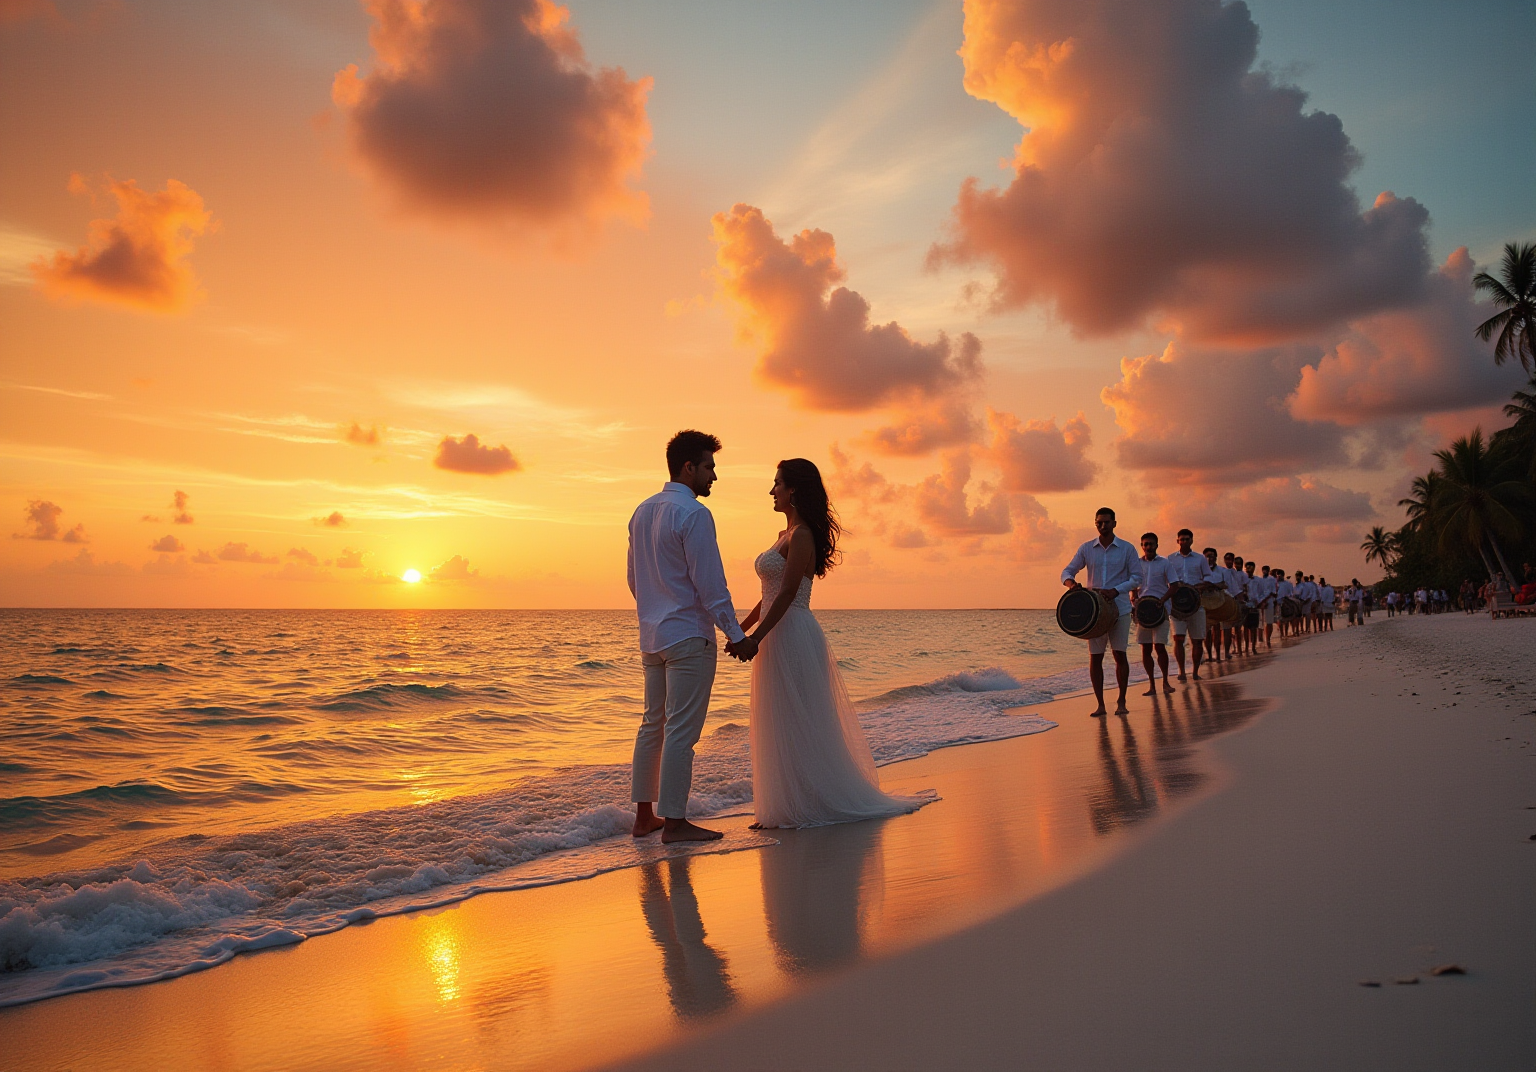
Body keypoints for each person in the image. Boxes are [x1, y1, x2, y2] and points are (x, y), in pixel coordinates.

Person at [740, 459, 929, 829]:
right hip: (775, 631)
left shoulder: (802, 535)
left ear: (793, 489)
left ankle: (808, 803)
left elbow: (788, 593)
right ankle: (783, 805)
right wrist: (740, 628)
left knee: (801, 717)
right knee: (779, 717)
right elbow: (768, 595)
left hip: (792, 632)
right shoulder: (783, 534)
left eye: (776, 483)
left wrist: (754, 638)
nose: (771, 490)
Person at [628, 430, 748, 843]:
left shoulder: (641, 512)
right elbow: (710, 585)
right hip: (688, 637)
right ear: (688, 468)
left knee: (652, 726)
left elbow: (634, 580)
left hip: (652, 637)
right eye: (710, 467)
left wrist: (655, 609)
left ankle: (645, 818)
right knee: (680, 731)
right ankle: (675, 822)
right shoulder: (694, 514)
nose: (714, 476)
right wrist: (737, 635)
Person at [1061, 507, 1140, 716]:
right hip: (1094, 612)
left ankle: (1122, 701)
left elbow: (1137, 578)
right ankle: (1100, 705)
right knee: (1095, 657)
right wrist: (1071, 585)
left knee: (1119, 654)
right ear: (1095, 524)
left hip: (1120, 609)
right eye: (1099, 522)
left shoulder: (1127, 548)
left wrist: (1116, 590)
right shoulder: (1087, 548)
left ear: (1114, 523)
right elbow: (1067, 571)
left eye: (1106, 522)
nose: (1102, 526)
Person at [1167, 529, 1218, 680]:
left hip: (1196, 604)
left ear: (1192, 540)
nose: (1184, 542)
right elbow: (1165, 579)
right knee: (1178, 639)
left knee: (1197, 640)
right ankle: (1181, 671)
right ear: (1177, 541)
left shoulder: (1200, 559)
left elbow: (1209, 577)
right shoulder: (1170, 559)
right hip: (1177, 606)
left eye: (1187, 539)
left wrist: (1197, 587)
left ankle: (1195, 672)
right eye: (1181, 539)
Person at [1131, 532, 1176, 696]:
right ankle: (1151, 685)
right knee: (1145, 649)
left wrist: (1163, 600)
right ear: (1142, 546)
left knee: (1160, 647)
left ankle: (1165, 682)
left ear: (1157, 545)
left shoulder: (1165, 563)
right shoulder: (1135, 564)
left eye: (1151, 544)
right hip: (1143, 611)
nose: (1148, 547)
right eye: (1145, 544)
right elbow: (1132, 583)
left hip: (1160, 610)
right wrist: (1133, 595)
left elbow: (1174, 585)